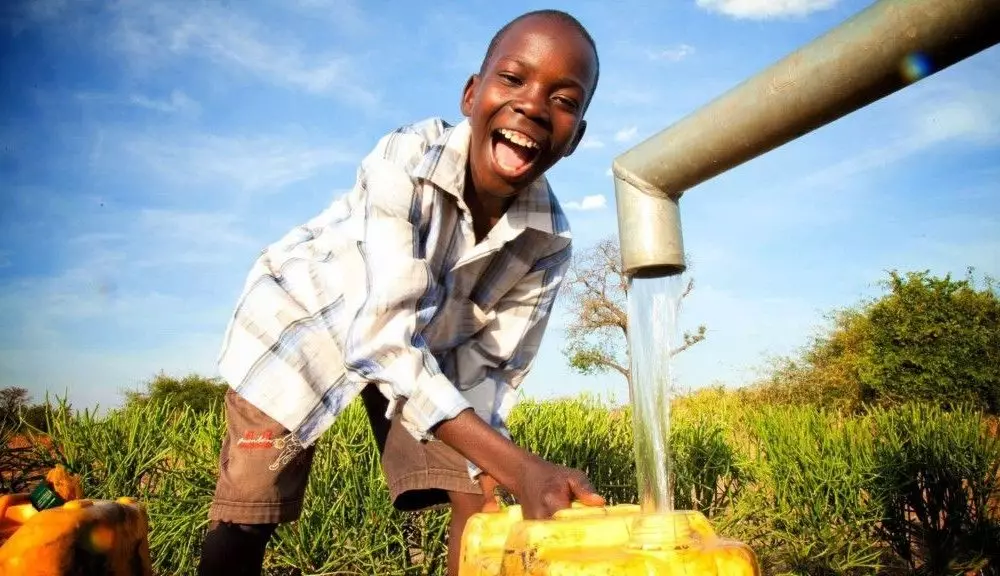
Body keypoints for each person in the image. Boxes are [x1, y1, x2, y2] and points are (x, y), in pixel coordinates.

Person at [197, 9, 603, 576]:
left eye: (563, 100)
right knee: (251, 502)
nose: (533, 105)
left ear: (575, 137)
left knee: (478, 486)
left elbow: (489, 375)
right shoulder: (405, 160)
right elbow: (382, 339)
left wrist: (508, 471)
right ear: (471, 95)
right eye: (512, 79)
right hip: (304, 323)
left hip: (424, 349)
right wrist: (523, 467)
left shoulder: (546, 244)